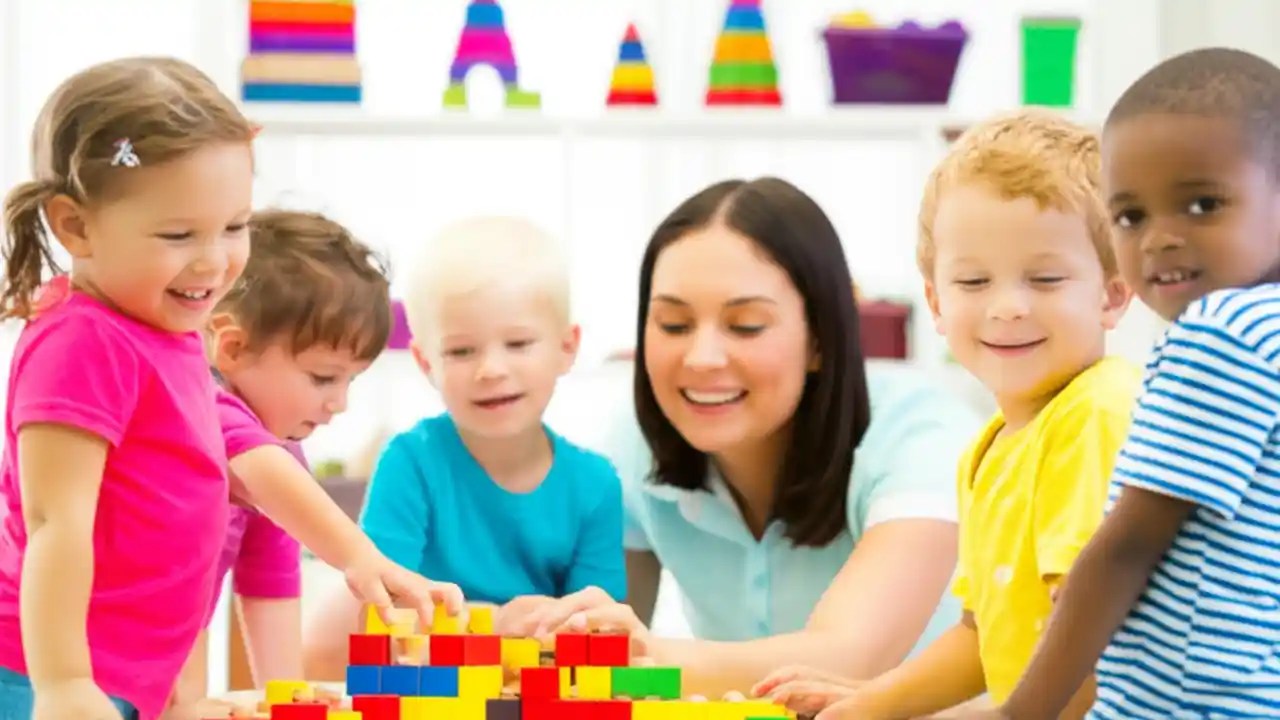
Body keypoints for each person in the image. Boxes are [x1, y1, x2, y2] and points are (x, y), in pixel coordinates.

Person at [511, 177, 983, 698]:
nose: (702, 358)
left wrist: (632, 654)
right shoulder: (632, 447)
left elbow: (851, 656)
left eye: (747, 326)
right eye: (672, 324)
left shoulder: (919, 434)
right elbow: (590, 661)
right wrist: (542, 637)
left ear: (821, 340)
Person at [754, 109, 1142, 719]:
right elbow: (984, 636)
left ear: (1113, 292)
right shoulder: (987, 448)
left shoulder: (1095, 415)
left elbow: (1096, 642)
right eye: (973, 280)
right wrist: (872, 702)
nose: (1008, 306)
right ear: (935, 300)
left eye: (1044, 278)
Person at [960, 47, 1280, 720]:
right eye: (1130, 216)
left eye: (1202, 203)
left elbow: (1129, 546)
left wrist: (1020, 715)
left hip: (1183, 701)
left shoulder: (1224, 329)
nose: (1160, 239)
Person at [302, 216, 625, 679]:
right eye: (461, 351)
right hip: (422, 686)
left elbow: (599, 631)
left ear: (566, 347)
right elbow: (380, 613)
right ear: (424, 361)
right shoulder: (410, 463)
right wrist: (494, 625)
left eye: (517, 343)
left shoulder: (595, 484)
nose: (491, 369)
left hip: (538, 692)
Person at [163, 210, 420, 717]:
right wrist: (360, 557)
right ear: (231, 347)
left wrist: (286, 701)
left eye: (351, 381)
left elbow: (270, 581)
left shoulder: (285, 457)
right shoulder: (192, 408)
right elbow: (166, 596)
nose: (339, 402)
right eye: (324, 378)